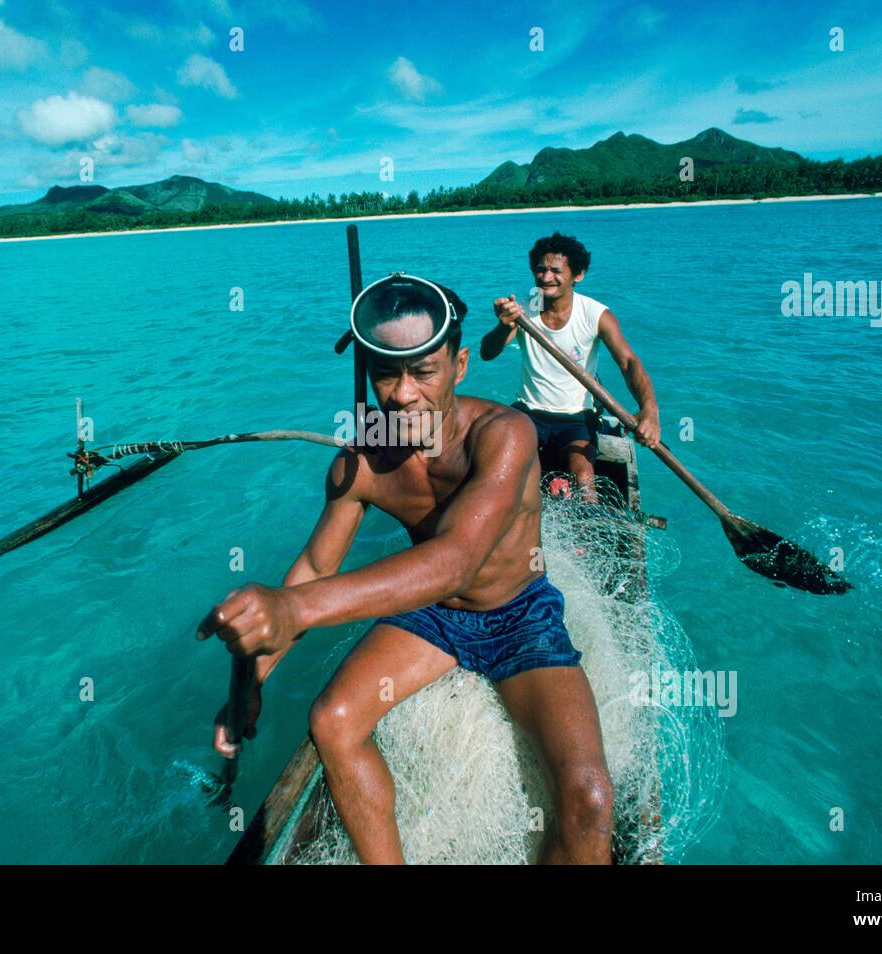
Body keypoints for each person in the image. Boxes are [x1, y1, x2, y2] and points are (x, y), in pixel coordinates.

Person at [198, 273, 614, 864]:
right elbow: (315, 567)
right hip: (433, 616)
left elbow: (455, 560)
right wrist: (247, 686)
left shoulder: (505, 434)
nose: (402, 394)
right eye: (386, 373)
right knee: (333, 719)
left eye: (424, 372)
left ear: (461, 366)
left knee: (590, 800)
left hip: (519, 615)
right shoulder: (362, 462)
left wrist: (291, 610)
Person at [480, 232, 660, 499]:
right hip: (529, 412)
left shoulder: (596, 314)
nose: (546, 277)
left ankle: (587, 536)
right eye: (540, 269)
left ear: (578, 275)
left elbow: (628, 362)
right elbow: (487, 353)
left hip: (576, 418)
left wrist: (650, 410)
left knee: (584, 477)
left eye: (556, 270)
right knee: (504, 468)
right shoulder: (522, 312)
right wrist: (502, 326)